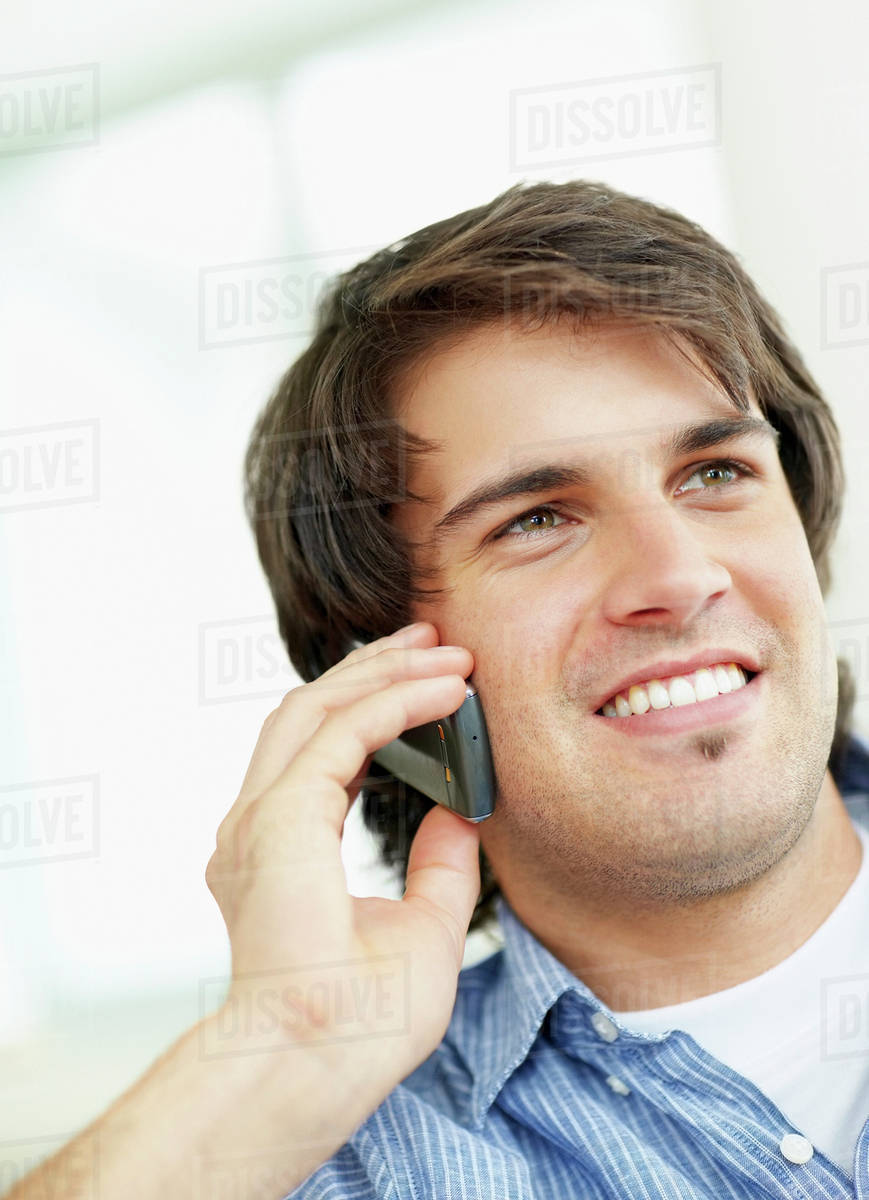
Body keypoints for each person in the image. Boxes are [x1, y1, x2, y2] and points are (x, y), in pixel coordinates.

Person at [11, 180, 869, 1200]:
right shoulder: (321, 1160)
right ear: (392, 680)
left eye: (714, 473)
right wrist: (283, 1049)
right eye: (535, 520)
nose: (679, 576)